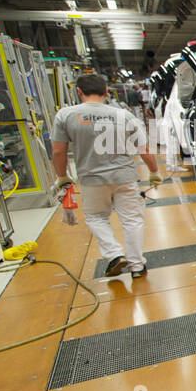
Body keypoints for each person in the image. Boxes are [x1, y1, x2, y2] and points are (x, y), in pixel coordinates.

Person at [51, 73, 162, 277]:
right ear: (105, 92)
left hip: (91, 178)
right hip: (125, 176)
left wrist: (62, 177)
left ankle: (114, 254)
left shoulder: (66, 116)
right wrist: (154, 171)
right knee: (132, 220)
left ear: (79, 92)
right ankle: (137, 266)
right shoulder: (124, 115)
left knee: (96, 217)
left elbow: (58, 151)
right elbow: (143, 148)